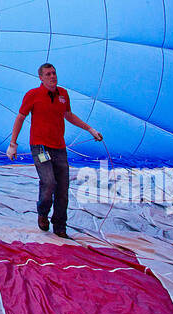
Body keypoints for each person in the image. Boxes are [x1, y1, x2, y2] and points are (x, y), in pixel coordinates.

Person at [6, 63, 102, 237]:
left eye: (54, 73)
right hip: (40, 147)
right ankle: (42, 212)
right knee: (49, 182)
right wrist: (13, 144)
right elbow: (20, 117)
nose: (52, 76)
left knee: (63, 188)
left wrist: (90, 129)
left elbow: (68, 115)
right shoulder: (33, 95)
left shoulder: (63, 94)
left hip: (59, 148)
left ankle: (60, 224)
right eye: (48, 74)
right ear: (41, 78)